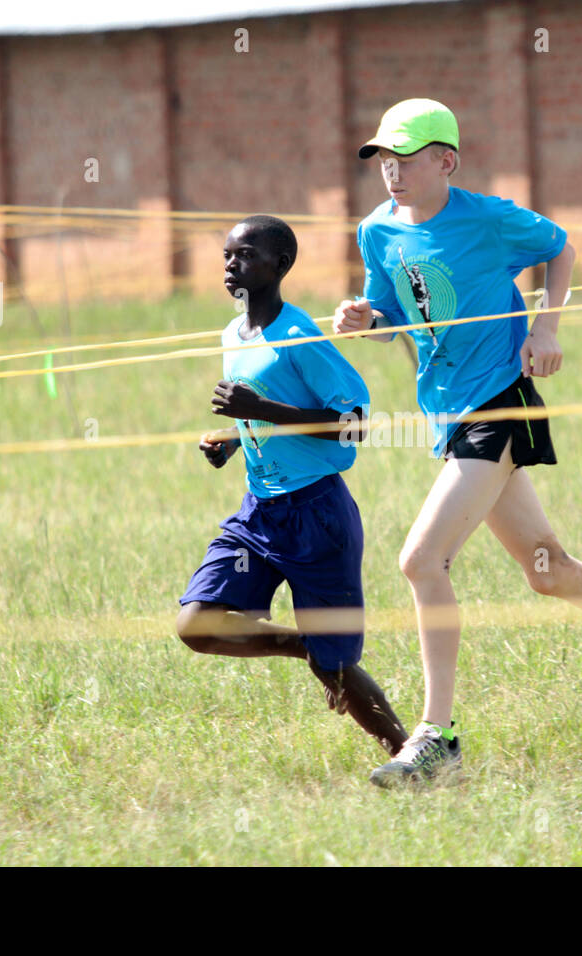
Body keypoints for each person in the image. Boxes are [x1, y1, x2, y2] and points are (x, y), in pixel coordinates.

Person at [332, 99, 582, 788]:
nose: (392, 172)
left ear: (445, 161)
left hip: (500, 406)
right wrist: (363, 318)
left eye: (406, 159)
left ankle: (437, 739)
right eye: (383, 160)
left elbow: (560, 248)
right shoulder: (376, 233)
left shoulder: (488, 219)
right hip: (448, 417)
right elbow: (391, 316)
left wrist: (547, 327)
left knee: (421, 560)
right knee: (548, 570)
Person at [176, 214, 408, 757]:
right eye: (227, 255)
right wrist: (235, 438)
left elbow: (352, 420)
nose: (233, 264)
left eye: (246, 255)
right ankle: (305, 644)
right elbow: (258, 410)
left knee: (338, 670)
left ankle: (412, 757)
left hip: (317, 516)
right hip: (259, 512)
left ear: (280, 265)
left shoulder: (299, 334)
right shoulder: (233, 333)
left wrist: (262, 410)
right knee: (196, 624)